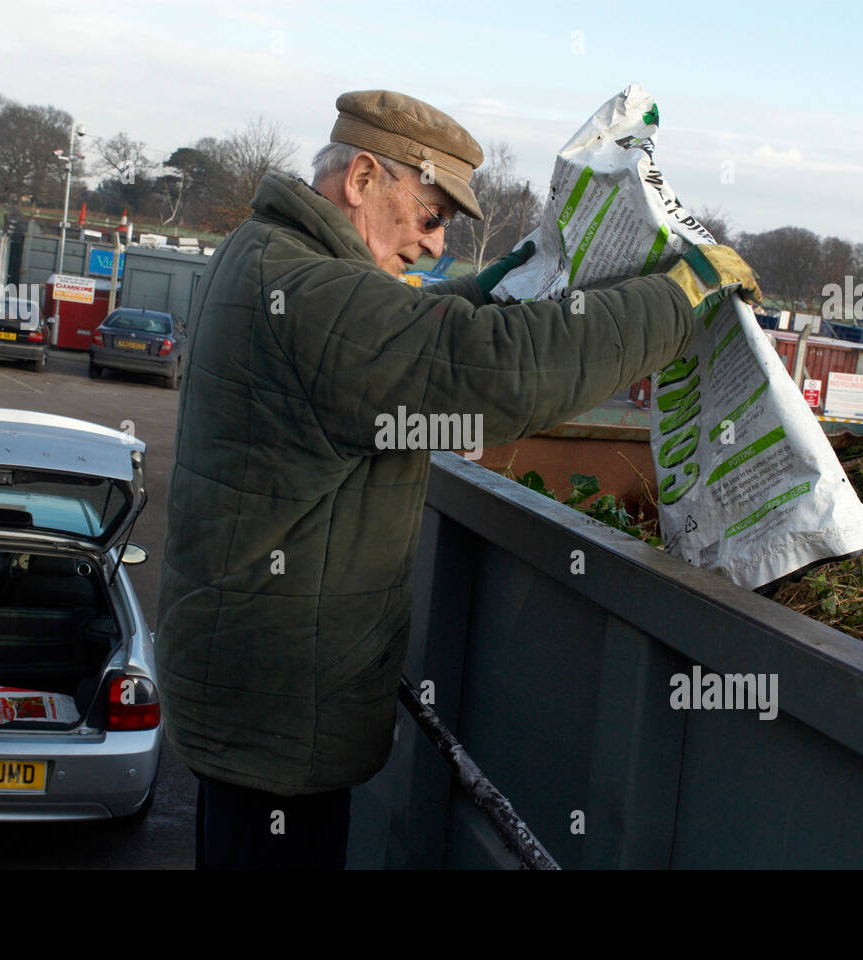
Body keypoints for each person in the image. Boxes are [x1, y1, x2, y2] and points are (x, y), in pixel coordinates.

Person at [157, 89, 761, 869]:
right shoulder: (308, 293)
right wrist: (676, 299)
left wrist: (496, 281)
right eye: (430, 215)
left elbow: (390, 334)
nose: (433, 246)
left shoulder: (266, 254)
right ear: (364, 177)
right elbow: (490, 370)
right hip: (278, 712)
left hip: (245, 689)